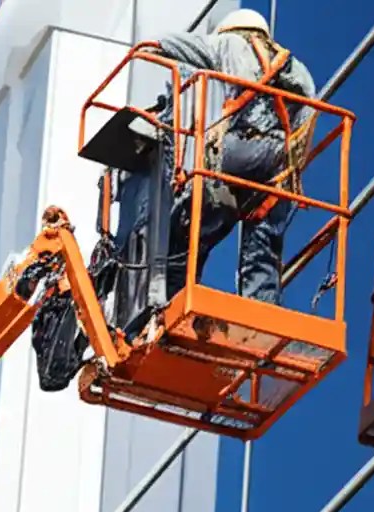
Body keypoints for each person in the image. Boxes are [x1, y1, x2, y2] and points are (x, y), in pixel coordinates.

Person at [118, 9, 316, 307]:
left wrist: (154, 45)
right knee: (264, 241)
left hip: (242, 148)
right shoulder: (296, 68)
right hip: (280, 163)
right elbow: (308, 117)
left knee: (191, 218)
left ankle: (173, 296)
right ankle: (260, 308)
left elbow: (190, 47)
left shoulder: (230, 42)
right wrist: (291, 168)